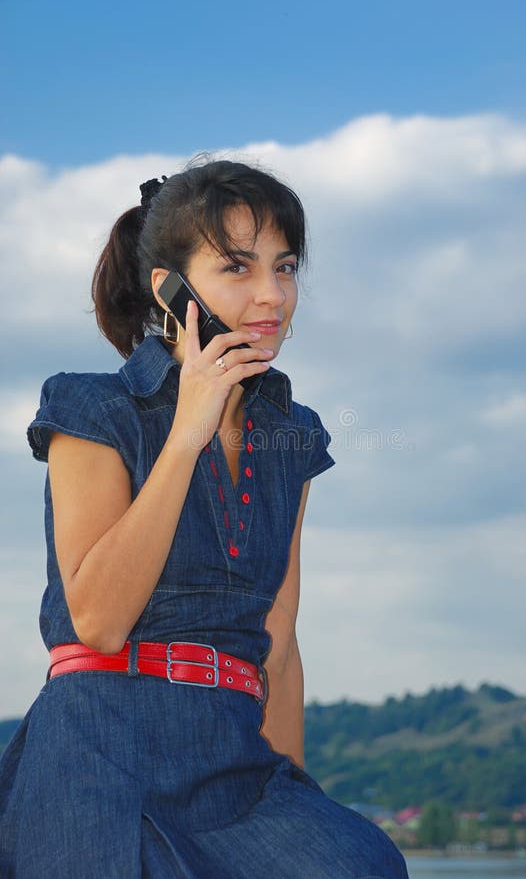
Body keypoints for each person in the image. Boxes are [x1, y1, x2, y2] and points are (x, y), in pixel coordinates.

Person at [0, 157, 409, 878]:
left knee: (361, 862)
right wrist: (187, 432)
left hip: (236, 761)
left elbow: (277, 641)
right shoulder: (91, 411)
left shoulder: (293, 435)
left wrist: (295, 792)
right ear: (172, 290)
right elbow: (96, 619)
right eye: (239, 270)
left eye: (285, 269)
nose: (273, 295)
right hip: (100, 748)